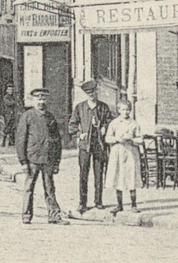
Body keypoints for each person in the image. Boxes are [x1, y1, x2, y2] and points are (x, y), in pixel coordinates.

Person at [16, 87, 66, 224]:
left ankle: (54, 215)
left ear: (47, 100)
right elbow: (21, 140)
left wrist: (57, 162)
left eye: (43, 98)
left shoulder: (50, 117)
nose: (40, 101)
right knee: (29, 188)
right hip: (32, 158)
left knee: (50, 188)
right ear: (33, 100)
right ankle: (26, 215)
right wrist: (23, 162)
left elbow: (57, 141)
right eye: (38, 98)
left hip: (48, 158)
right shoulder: (27, 116)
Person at [70, 79, 114, 213]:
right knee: (83, 174)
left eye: (93, 92)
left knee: (99, 173)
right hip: (85, 146)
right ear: (86, 94)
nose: (91, 95)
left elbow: (110, 121)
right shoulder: (80, 107)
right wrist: (78, 134)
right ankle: (82, 203)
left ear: (96, 92)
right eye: (88, 93)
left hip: (99, 145)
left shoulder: (103, 107)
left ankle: (98, 201)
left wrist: (105, 127)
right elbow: (72, 125)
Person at [104, 97, 142, 214]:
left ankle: (133, 204)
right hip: (118, 153)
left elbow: (140, 138)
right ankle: (119, 204)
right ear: (119, 110)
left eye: (127, 110)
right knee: (118, 177)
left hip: (130, 153)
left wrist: (132, 140)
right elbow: (107, 138)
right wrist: (116, 139)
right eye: (123, 109)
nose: (125, 112)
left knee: (131, 178)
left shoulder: (134, 123)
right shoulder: (114, 123)